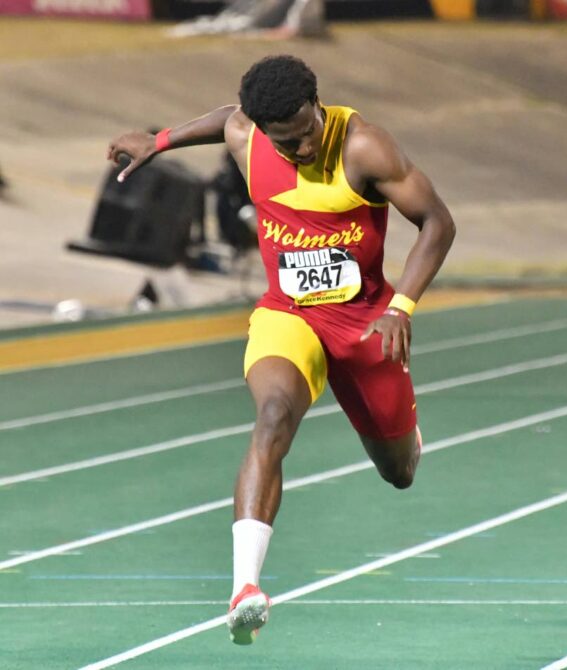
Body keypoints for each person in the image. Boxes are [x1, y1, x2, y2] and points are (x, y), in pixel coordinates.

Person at [108, 54, 456, 645]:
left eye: (307, 131)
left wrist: (401, 308)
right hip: (288, 315)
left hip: (365, 321)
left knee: (399, 471)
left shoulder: (364, 147)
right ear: (262, 130)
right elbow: (228, 117)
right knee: (272, 417)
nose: (303, 148)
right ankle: (245, 588)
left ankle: (405, 436)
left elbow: (438, 223)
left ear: (318, 105)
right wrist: (159, 141)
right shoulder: (247, 135)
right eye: (287, 142)